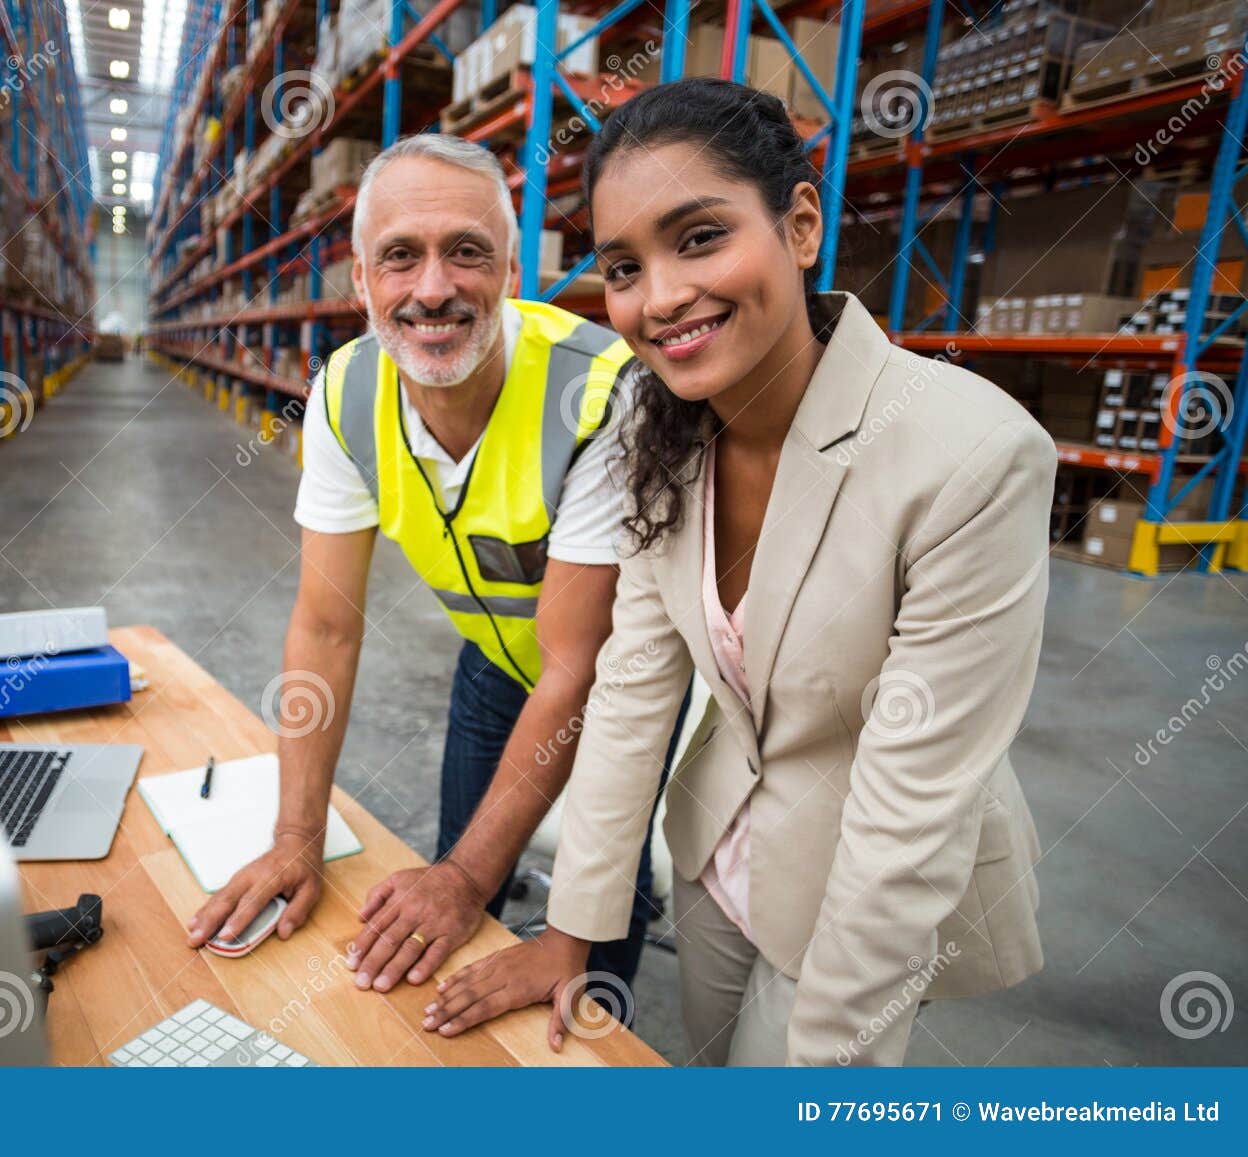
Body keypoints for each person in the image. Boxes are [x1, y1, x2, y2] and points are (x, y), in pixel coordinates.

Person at [422, 78, 1052, 1065]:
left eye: (700, 236)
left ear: (800, 224)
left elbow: (906, 814)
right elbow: (631, 685)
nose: (661, 296)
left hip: (862, 886)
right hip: (714, 851)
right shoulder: (651, 423)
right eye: (624, 266)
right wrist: (571, 928)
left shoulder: (968, 453)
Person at [186, 133, 665, 999]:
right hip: (492, 666)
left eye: (467, 253)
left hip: (623, 686)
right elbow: (325, 624)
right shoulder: (343, 395)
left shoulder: (602, 393)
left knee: (594, 915)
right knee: (458, 878)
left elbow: (576, 670)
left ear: (512, 270)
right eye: (400, 257)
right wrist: (298, 836)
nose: (433, 288)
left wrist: (462, 880)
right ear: (363, 281)